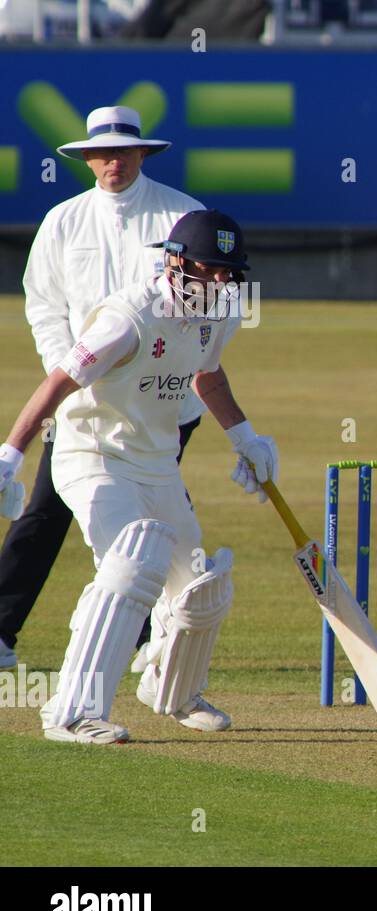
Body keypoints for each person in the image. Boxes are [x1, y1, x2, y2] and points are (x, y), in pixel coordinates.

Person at [0, 210, 278, 743]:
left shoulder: (216, 314)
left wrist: (246, 437)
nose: (219, 281)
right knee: (131, 561)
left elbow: (207, 374)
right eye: (208, 268)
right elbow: (59, 381)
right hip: (92, 454)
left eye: (228, 272)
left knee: (200, 583)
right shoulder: (129, 317)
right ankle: (71, 713)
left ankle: (170, 688)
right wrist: (12, 453)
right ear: (175, 262)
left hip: (156, 461)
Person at [0, 104, 205, 674]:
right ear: (86, 157)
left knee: (150, 514)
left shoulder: (182, 215)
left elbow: (204, 305)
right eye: (101, 152)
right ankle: (2, 630)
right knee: (47, 510)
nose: (112, 161)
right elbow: (44, 306)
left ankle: (146, 642)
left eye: (122, 151)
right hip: (80, 400)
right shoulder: (63, 220)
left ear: (142, 152)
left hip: (162, 403)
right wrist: (68, 376)